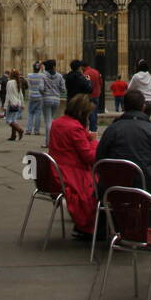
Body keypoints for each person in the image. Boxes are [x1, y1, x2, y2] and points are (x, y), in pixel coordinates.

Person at [95, 88, 151, 193]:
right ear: (143, 107)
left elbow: (99, 159)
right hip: (146, 189)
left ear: (124, 107)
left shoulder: (112, 129)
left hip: (114, 189)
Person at [48, 93, 98, 239]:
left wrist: (86, 137)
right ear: (82, 113)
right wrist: (94, 142)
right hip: (71, 173)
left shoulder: (57, 122)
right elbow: (89, 157)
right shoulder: (75, 127)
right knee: (99, 183)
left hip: (55, 170)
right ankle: (89, 227)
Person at [38, 59, 66, 143]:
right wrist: (57, 91)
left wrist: (44, 93)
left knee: (48, 121)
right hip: (56, 100)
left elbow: (41, 88)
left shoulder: (43, 76)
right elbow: (63, 89)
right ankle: (53, 140)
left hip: (46, 99)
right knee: (52, 120)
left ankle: (48, 142)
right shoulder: (59, 76)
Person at [4, 68, 27, 140]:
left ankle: (20, 130)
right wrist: (22, 104)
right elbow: (21, 94)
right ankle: (13, 136)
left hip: (11, 103)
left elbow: (8, 94)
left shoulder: (9, 82)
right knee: (14, 120)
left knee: (8, 120)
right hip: (17, 103)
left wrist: (5, 105)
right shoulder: (18, 82)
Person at [82, 61, 103, 132]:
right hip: (97, 94)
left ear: (83, 67)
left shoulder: (86, 74)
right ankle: (94, 127)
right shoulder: (96, 72)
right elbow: (101, 82)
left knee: (91, 113)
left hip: (90, 95)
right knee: (95, 112)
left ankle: (92, 128)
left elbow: (86, 84)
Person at [26, 61, 44, 136]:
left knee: (30, 113)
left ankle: (29, 130)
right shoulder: (41, 76)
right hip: (39, 96)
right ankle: (36, 130)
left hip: (31, 95)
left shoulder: (29, 75)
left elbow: (28, 85)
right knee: (38, 113)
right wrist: (42, 69)